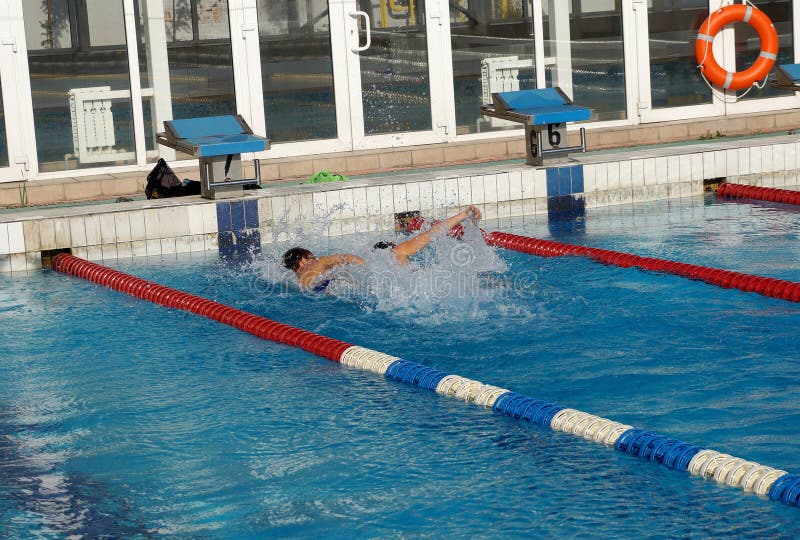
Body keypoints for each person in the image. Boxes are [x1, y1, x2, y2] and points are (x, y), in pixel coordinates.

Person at [283, 205, 482, 289]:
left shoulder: (295, 279)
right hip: (414, 286)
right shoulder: (397, 253)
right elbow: (430, 234)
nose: (314, 258)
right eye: (310, 256)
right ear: (302, 260)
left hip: (323, 290)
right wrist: (464, 214)